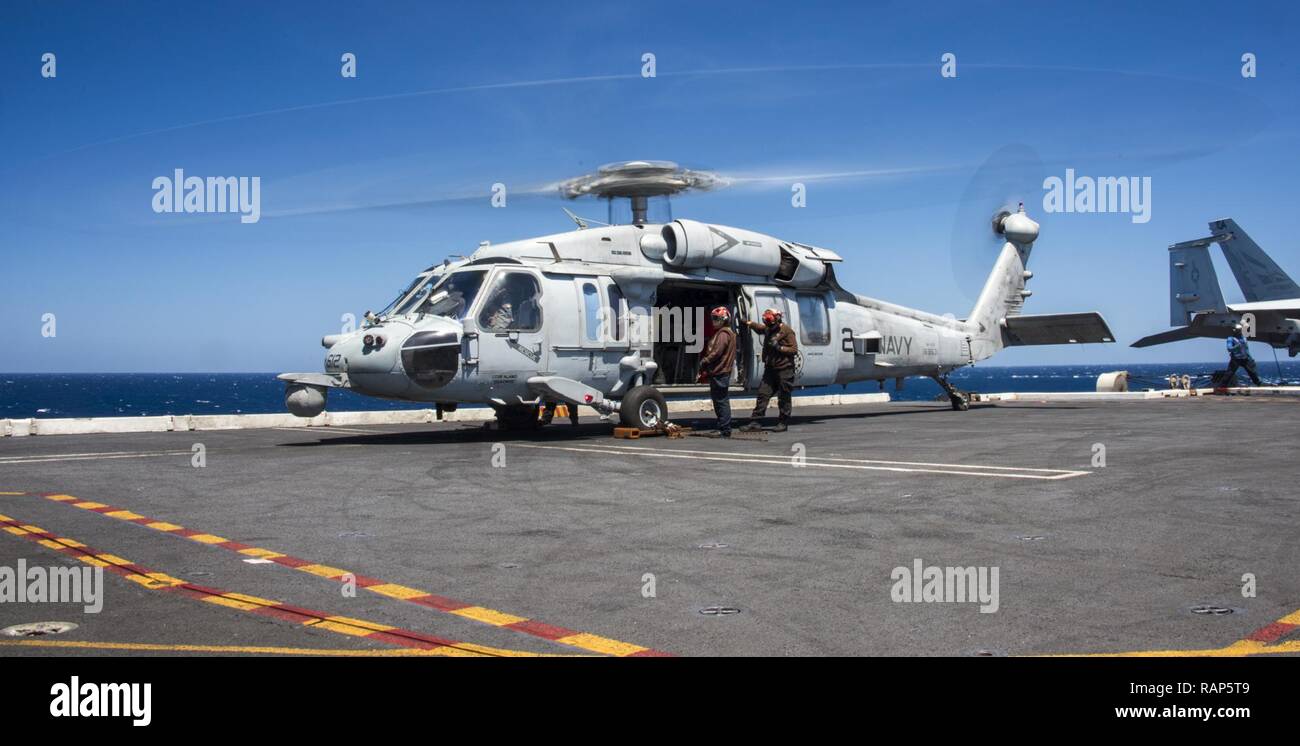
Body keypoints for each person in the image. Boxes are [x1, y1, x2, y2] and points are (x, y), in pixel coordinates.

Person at [740, 308, 798, 432]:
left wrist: (779, 347)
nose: (768, 325)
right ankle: (755, 422)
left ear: (777, 319)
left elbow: (794, 349)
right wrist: (748, 323)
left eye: (770, 321)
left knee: (784, 396)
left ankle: (783, 422)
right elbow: (759, 328)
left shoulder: (787, 331)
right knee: (763, 394)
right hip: (770, 369)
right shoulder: (768, 328)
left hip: (785, 369)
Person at [697, 306, 737, 437]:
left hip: (720, 372)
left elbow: (717, 352)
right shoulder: (725, 332)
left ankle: (725, 429)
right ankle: (722, 426)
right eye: (713, 318)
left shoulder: (723, 334)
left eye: (716, 318)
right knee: (720, 400)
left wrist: (705, 361)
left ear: (724, 319)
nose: (713, 321)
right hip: (720, 372)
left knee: (721, 401)